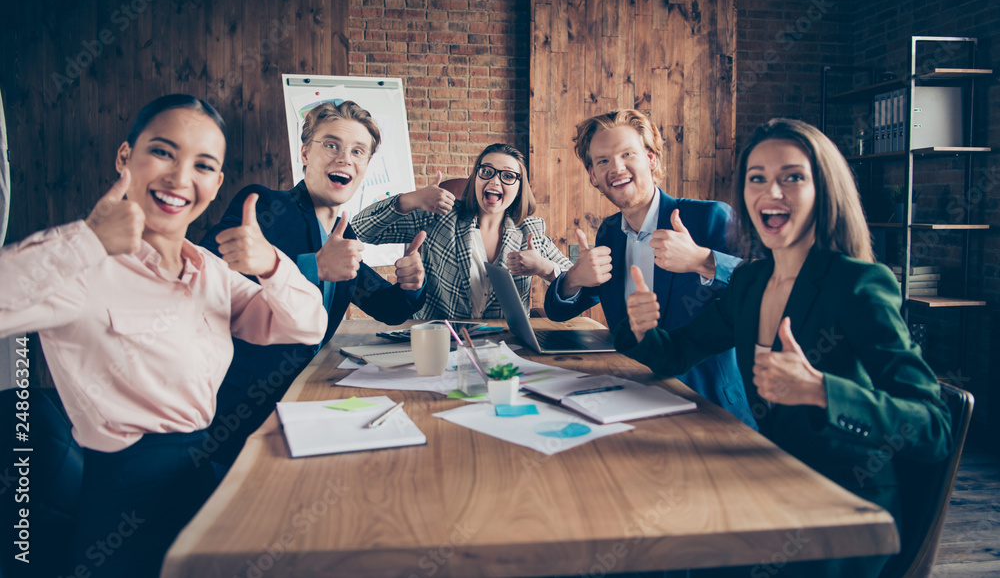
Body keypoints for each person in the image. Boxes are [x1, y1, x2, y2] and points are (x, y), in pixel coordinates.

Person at [0, 95, 327, 577]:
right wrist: (89, 241)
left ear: (215, 185)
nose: (179, 178)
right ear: (124, 157)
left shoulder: (209, 270)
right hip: (121, 511)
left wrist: (272, 265)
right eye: (162, 152)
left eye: (202, 165)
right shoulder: (84, 265)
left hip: (198, 485)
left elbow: (306, 325)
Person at [619, 118, 953, 578]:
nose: (770, 192)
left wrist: (822, 391)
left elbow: (934, 427)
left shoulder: (857, 285)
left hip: (844, 512)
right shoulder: (751, 281)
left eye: (791, 177)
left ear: (824, 190)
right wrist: (644, 328)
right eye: (757, 178)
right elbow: (677, 354)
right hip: (772, 482)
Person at [199, 99, 427, 470]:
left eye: (358, 151)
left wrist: (411, 282)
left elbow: (389, 308)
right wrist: (312, 267)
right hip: (241, 407)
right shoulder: (263, 206)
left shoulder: (344, 234)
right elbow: (209, 279)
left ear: (366, 166)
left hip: (305, 395)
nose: (345, 159)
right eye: (331, 145)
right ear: (305, 153)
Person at [543, 109, 754, 426]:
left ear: (651, 159)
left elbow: (766, 286)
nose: (616, 168)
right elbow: (558, 312)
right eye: (602, 161)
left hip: (708, 408)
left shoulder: (710, 217)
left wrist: (702, 260)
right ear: (592, 175)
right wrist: (573, 278)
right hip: (629, 399)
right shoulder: (608, 232)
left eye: (627, 153)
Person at [350, 143, 571, 319]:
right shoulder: (439, 215)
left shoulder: (530, 232)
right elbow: (361, 229)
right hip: (439, 341)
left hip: (506, 346)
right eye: (487, 171)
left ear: (519, 187)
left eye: (508, 176)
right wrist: (409, 199)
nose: (495, 180)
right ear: (476, 177)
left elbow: (574, 283)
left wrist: (545, 268)